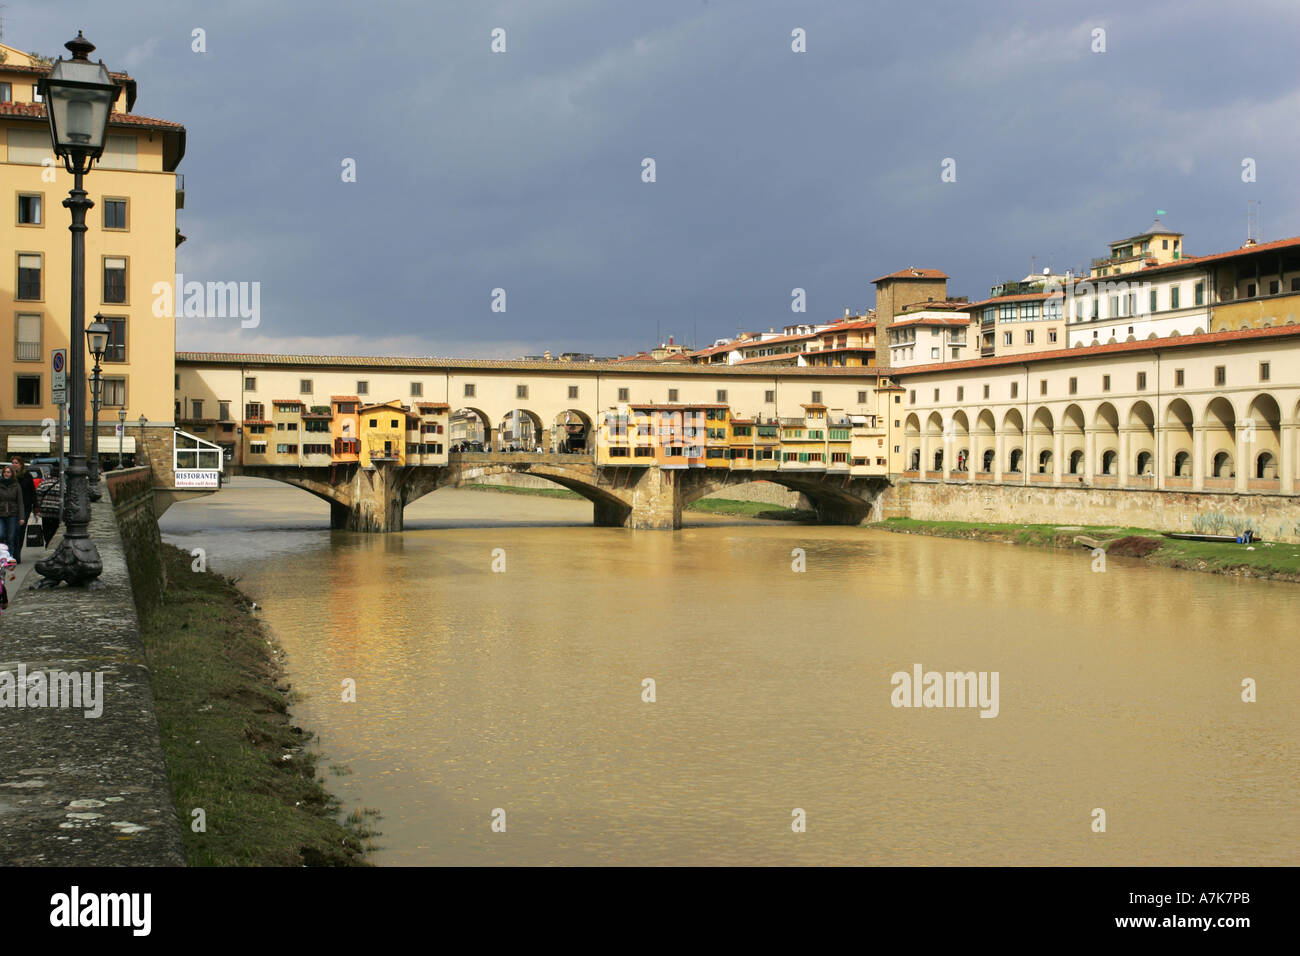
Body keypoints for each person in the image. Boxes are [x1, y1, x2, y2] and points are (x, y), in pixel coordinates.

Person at [9, 456, 36, 562]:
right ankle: (12, 552)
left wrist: (36, 506)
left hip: (25, 506)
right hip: (12, 507)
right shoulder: (10, 476)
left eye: (16, 463)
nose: (14, 464)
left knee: (20, 529)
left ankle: (17, 553)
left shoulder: (27, 476)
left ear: (21, 464)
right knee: (12, 530)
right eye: (13, 462)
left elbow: (32, 492)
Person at [0, 466, 25, 560]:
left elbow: (20, 502)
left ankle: (9, 556)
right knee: (1, 534)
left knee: (11, 537)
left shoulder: (16, 485)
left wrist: (22, 517)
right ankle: (3, 555)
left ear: (12, 474)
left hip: (12, 514)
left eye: (8, 472)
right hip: (1, 513)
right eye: (5, 472)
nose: (6, 474)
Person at [35, 462, 62, 547]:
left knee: (46, 529)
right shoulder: (62, 484)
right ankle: (52, 544)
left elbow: (38, 496)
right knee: (55, 529)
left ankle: (47, 543)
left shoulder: (44, 483)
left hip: (45, 511)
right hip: (57, 512)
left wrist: (37, 509)